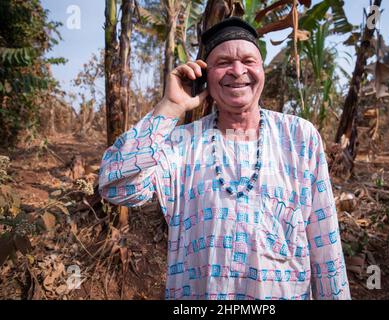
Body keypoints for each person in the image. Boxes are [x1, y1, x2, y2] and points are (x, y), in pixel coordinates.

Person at [99, 17, 350, 300]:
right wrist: (170, 107)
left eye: (248, 60)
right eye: (223, 63)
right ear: (205, 77)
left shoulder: (299, 137)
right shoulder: (181, 145)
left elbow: (326, 247)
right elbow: (116, 186)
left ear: (262, 70)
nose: (237, 71)